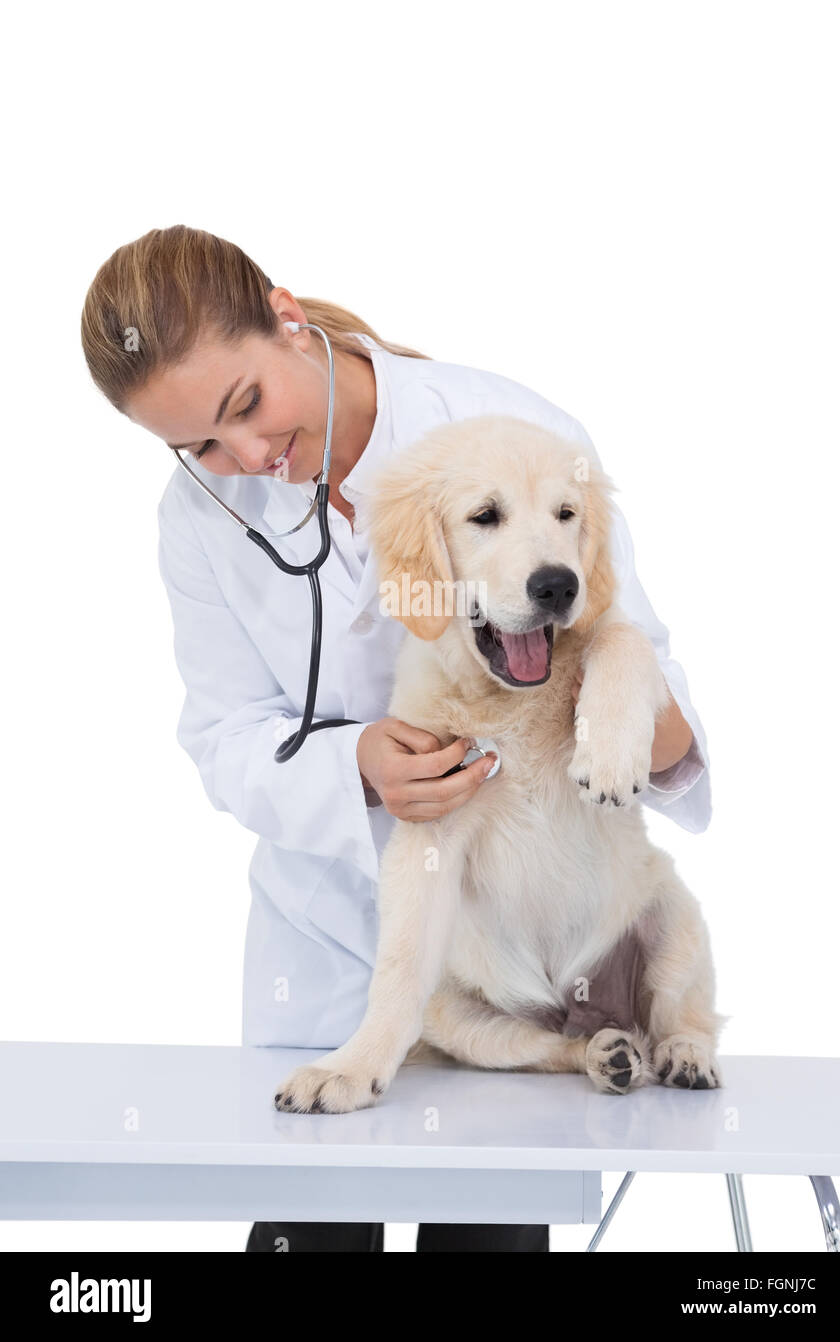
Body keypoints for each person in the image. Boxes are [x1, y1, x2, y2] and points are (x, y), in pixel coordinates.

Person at [80, 224, 710, 1253]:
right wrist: (356, 765)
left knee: (486, 1246)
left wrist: (631, 710)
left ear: (285, 317)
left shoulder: (507, 431)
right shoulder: (199, 520)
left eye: (245, 406)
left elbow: (642, 686)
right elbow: (223, 732)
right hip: (329, 949)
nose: (245, 459)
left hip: (526, 958)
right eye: (197, 444)